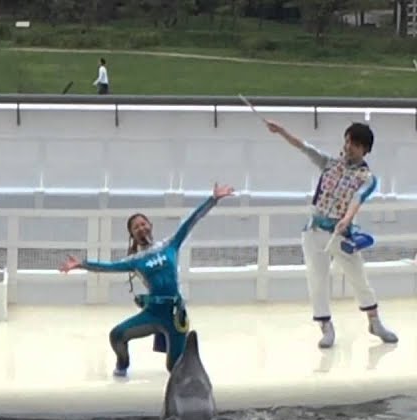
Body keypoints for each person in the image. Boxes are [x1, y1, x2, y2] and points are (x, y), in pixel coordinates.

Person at [60, 182, 234, 377]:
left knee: (174, 367)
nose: (141, 228)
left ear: (150, 226)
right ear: (132, 235)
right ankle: (123, 364)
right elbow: (107, 267)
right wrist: (82, 264)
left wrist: (213, 199)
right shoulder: (135, 260)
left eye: (143, 224)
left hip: (174, 316)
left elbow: (192, 220)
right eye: (136, 227)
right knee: (117, 335)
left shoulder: (170, 245)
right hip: (153, 314)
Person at [262, 119, 398, 348]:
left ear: (365, 149)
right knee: (317, 280)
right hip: (314, 230)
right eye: (347, 141)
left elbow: (357, 199)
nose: (348, 146)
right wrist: (282, 131)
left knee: (358, 277)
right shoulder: (330, 163)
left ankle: (374, 322)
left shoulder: (367, 178)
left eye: (354, 143)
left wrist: (346, 219)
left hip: (339, 233)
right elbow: (304, 147)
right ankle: (326, 327)